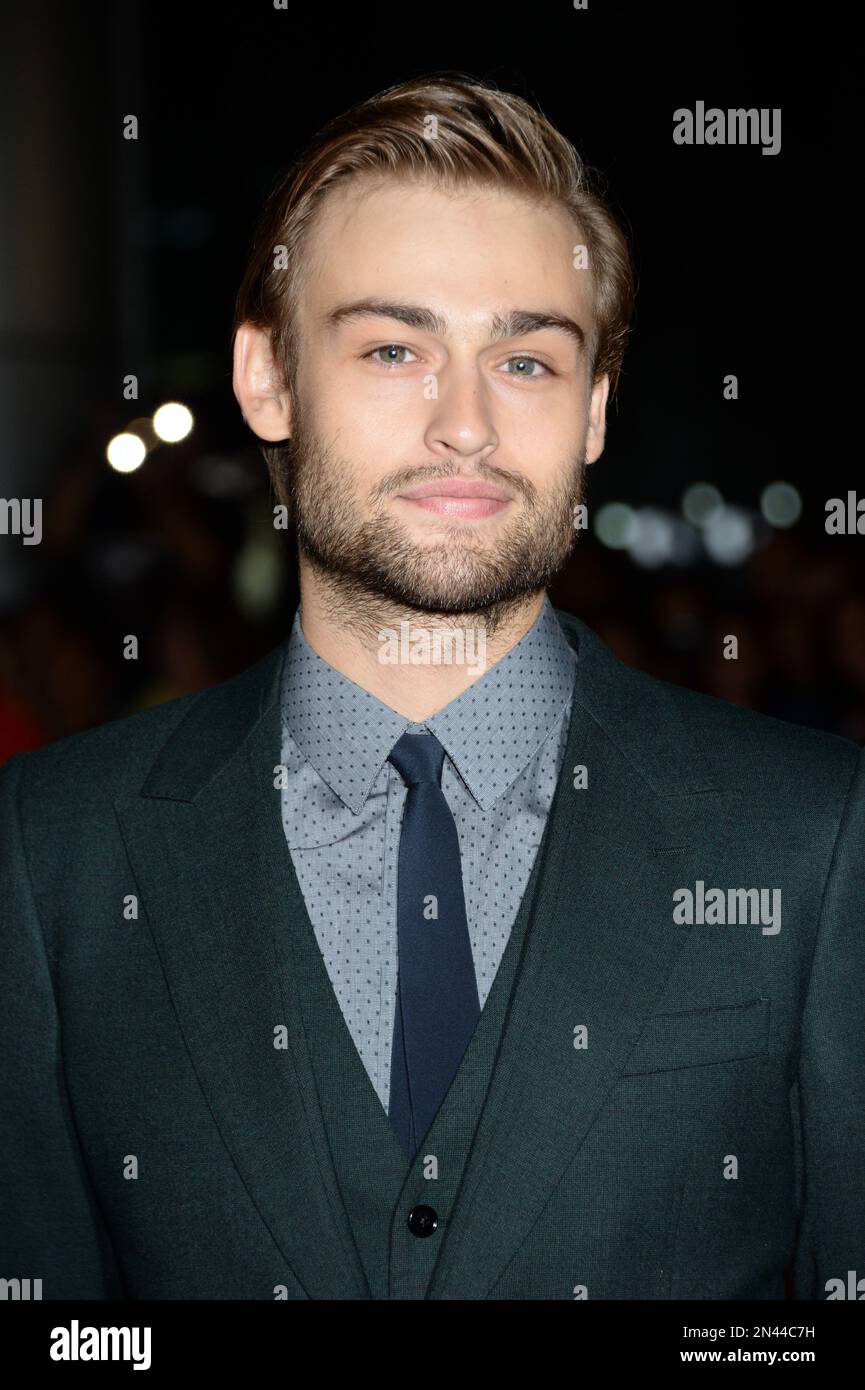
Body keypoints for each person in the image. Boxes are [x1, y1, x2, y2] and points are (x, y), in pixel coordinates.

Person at [1, 73, 862, 1301]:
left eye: (526, 360)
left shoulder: (812, 838)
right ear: (267, 377)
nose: (465, 423)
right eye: (395, 349)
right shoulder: (53, 854)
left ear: (594, 411)